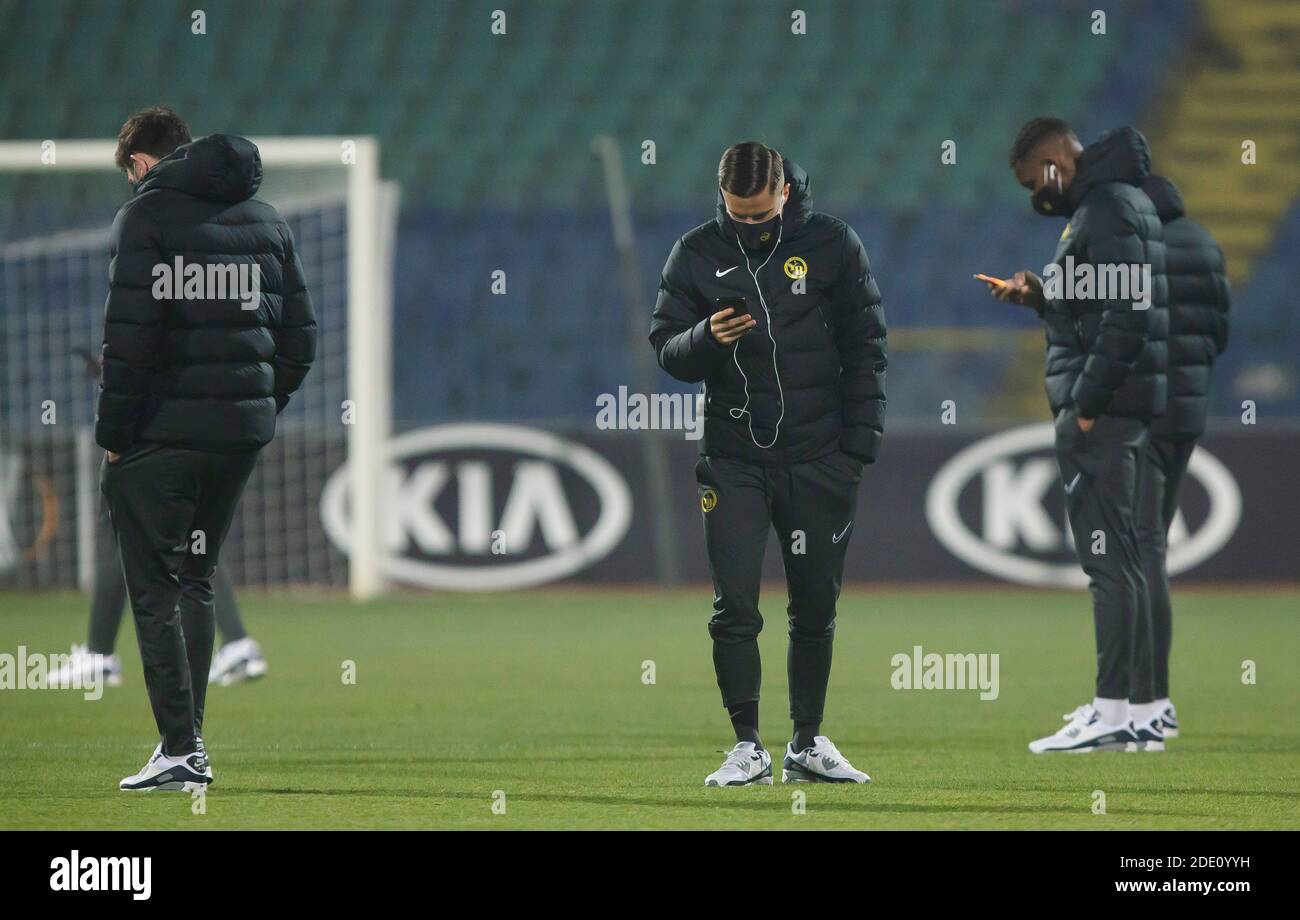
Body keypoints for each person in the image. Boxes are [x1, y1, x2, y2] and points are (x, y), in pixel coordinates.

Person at [650, 141, 887, 785]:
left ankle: (807, 744)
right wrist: (705, 339)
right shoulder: (696, 252)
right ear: (721, 197)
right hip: (733, 460)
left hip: (819, 458)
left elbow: (867, 343)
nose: (748, 226)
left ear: (783, 192)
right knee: (735, 607)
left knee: (814, 607)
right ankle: (747, 746)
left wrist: (857, 448)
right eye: (736, 214)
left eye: (759, 215)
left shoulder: (833, 244)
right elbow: (667, 350)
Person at [97, 107, 315, 791]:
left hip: (162, 437)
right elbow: (301, 345)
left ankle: (181, 749)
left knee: (154, 584)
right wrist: (254, 407)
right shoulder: (268, 220)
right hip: (238, 440)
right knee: (196, 574)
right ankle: (188, 747)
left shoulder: (145, 220)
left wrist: (113, 438)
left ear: (140, 162)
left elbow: (129, 345)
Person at [987, 119, 1168, 753]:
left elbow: (1128, 314)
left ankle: (1113, 714)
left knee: (1109, 565)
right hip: (1116, 404)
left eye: (1034, 178)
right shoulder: (1113, 203)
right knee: (1125, 561)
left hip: (1102, 409)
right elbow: (1099, 306)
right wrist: (1040, 297)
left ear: (1058, 159)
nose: (1036, 193)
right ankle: (1132, 711)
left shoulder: (1105, 208)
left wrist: (1087, 405)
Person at [49, 352, 268, 692]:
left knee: (122, 528)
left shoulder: (153, 306)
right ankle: (237, 643)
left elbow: (136, 339)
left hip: (154, 431)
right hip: (205, 427)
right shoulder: (213, 312)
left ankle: (100, 655)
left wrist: (118, 375)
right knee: (193, 540)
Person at [1136, 174, 1231, 738]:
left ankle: (1149, 703)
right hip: (1189, 414)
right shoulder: (1206, 242)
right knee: (1154, 545)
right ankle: (1147, 700)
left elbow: (1128, 330)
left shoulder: (1141, 249)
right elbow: (1219, 330)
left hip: (1145, 411)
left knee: (1141, 549)